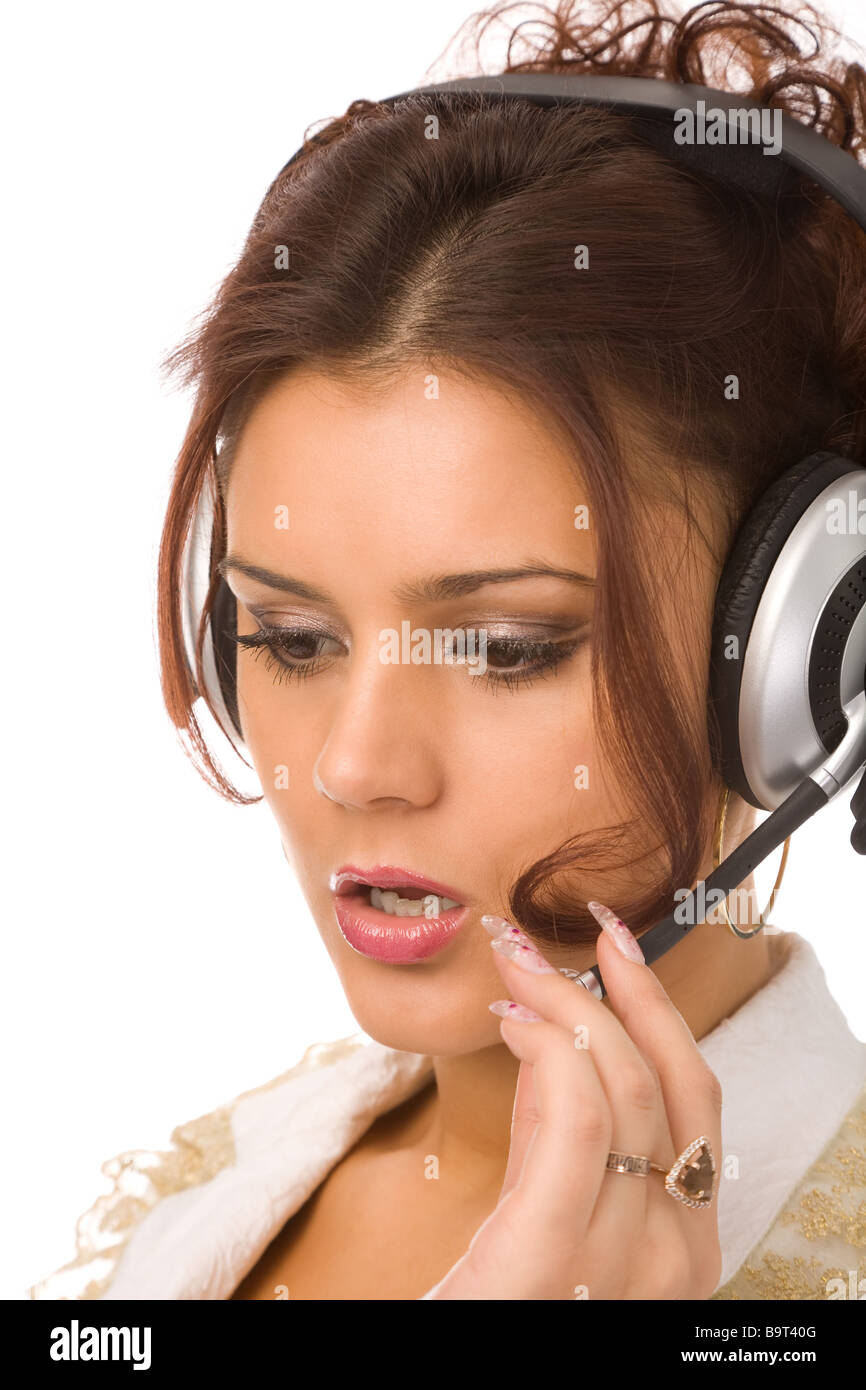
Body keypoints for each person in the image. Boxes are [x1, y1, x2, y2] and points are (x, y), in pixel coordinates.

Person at [29, 0, 866, 1301]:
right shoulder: (205, 1197)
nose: (357, 764)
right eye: (289, 636)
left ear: (797, 661)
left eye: (502, 645)